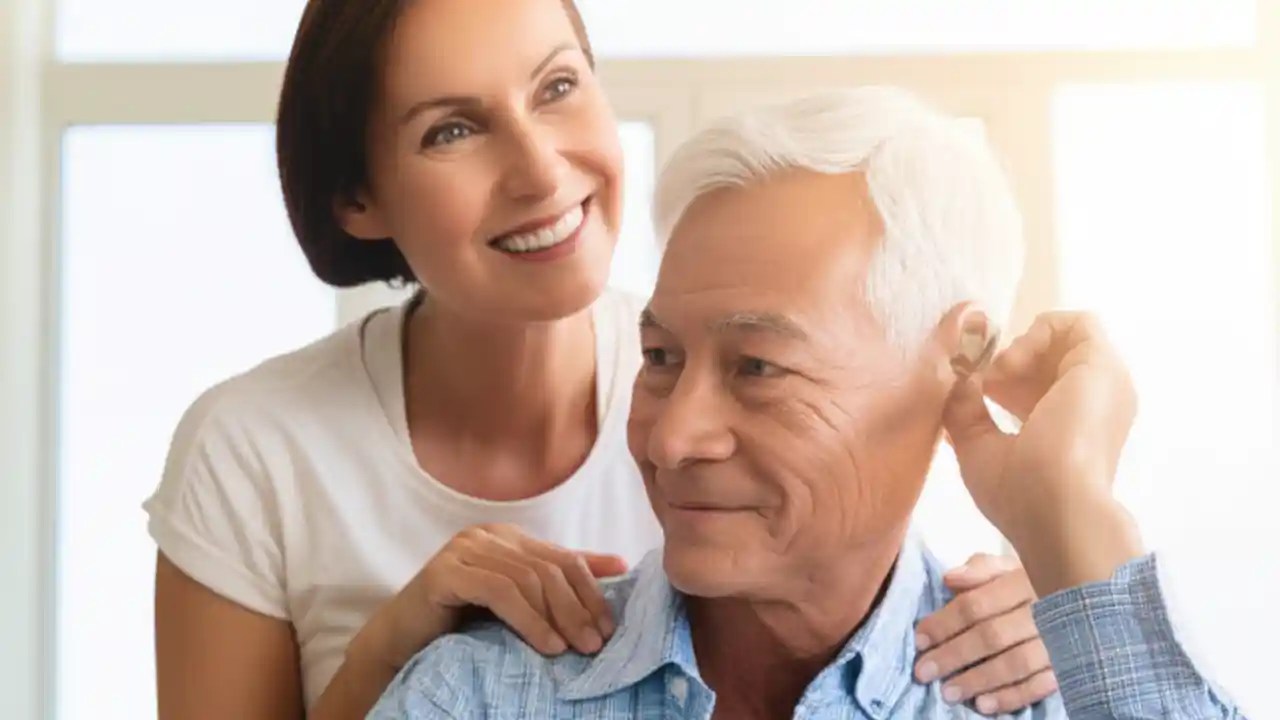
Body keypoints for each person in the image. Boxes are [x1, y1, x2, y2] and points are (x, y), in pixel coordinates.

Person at [146, 3, 1054, 718]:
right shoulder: (255, 450)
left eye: (557, 87)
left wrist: (1049, 607)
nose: (541, 171)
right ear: (357, 196)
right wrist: (396, 650)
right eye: (451, 131)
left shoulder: (749, 361)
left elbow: (887, 556)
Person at [369, 88, 1246, 720]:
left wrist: (1070, 526)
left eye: (757, 366)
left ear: (959, 359)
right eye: (661, 356)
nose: (672, 438)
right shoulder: (476, 697)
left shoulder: (1063, 695)